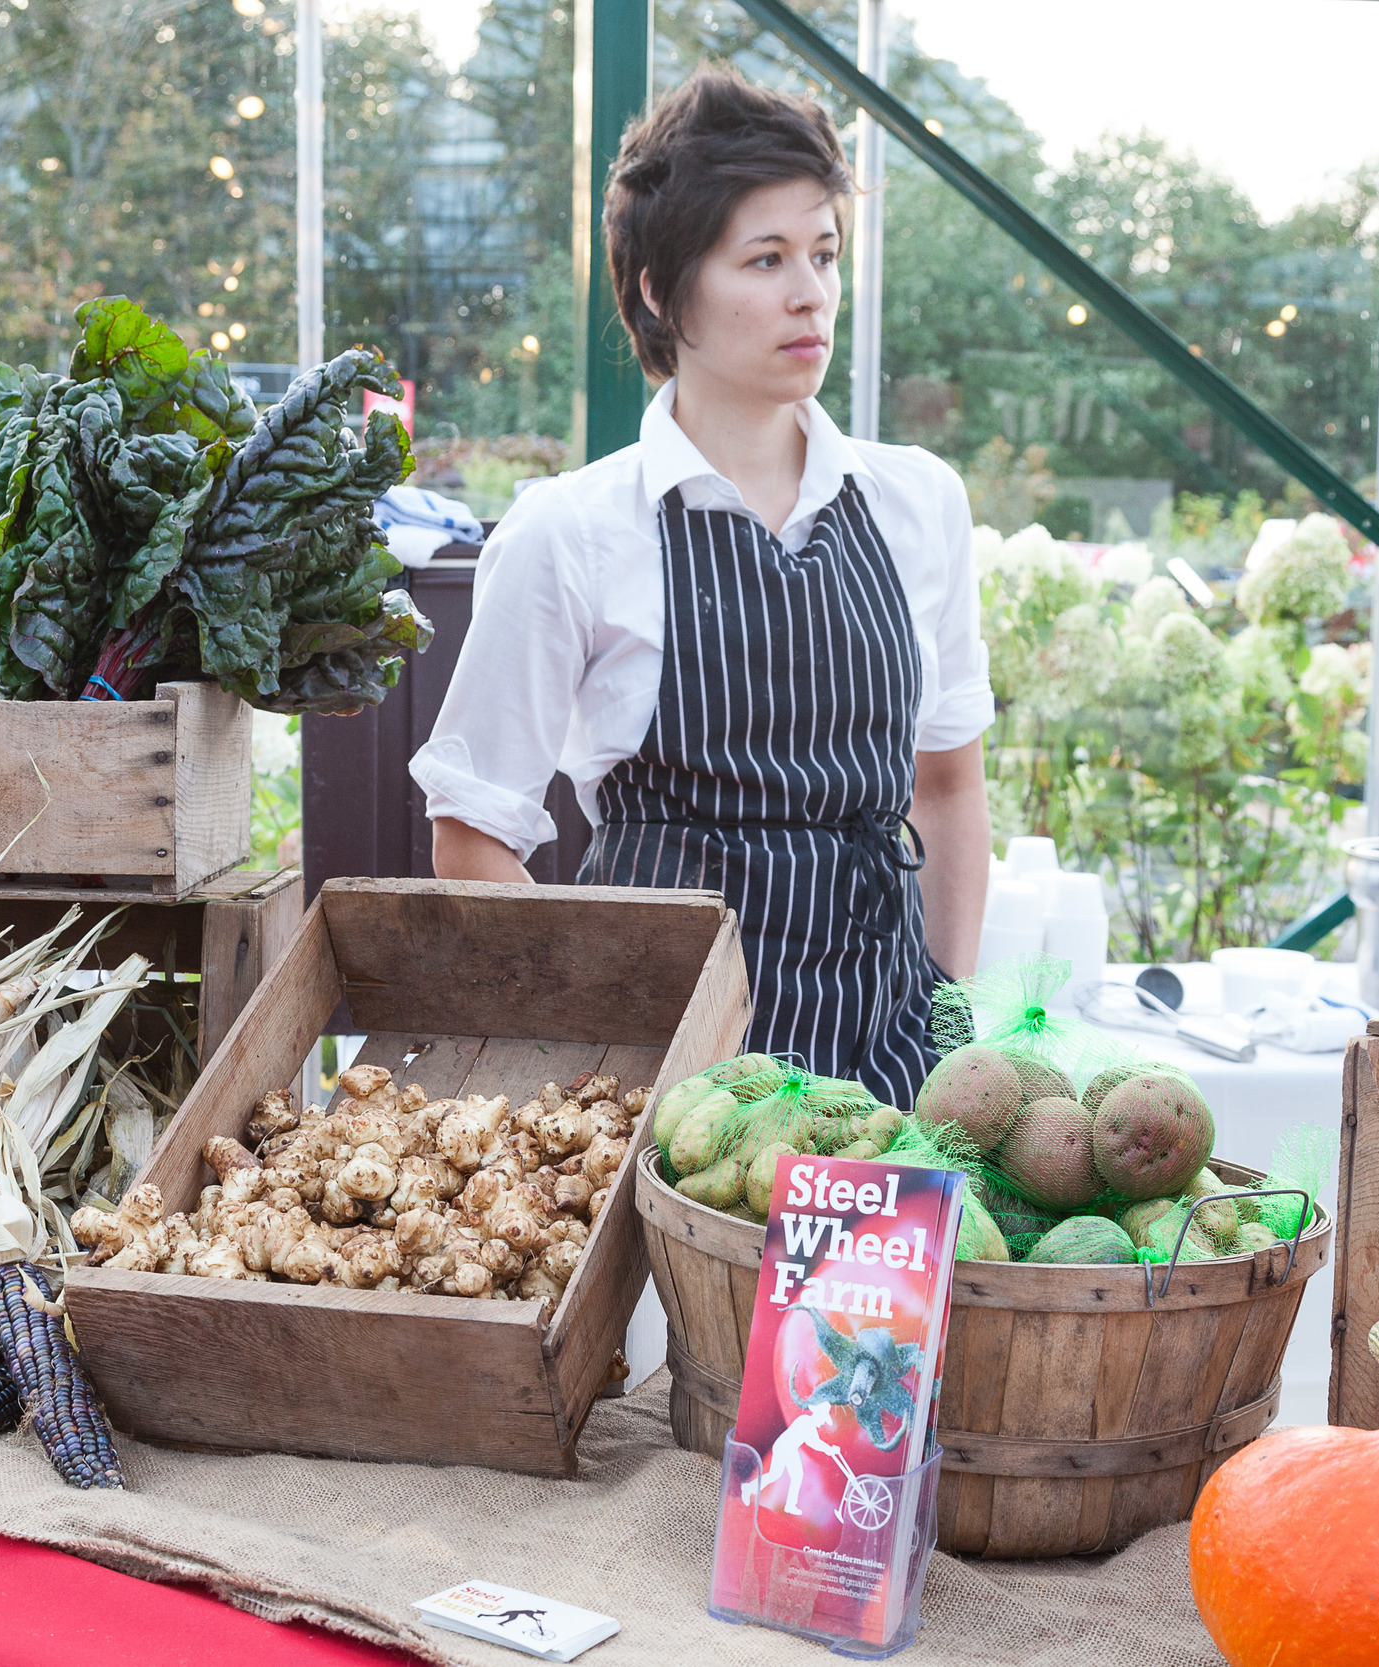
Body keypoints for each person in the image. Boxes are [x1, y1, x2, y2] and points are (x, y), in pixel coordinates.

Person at [409, 67, 991, 1110]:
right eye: (765, 258)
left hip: (891, 1081)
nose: (809, 292)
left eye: (823, 254)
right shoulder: (573, 530)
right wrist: (611, 1058)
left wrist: (948, 1037)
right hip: (670, 1101)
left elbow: (945, 788)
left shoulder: (916, 502)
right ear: (657, 290)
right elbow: (471, 836)